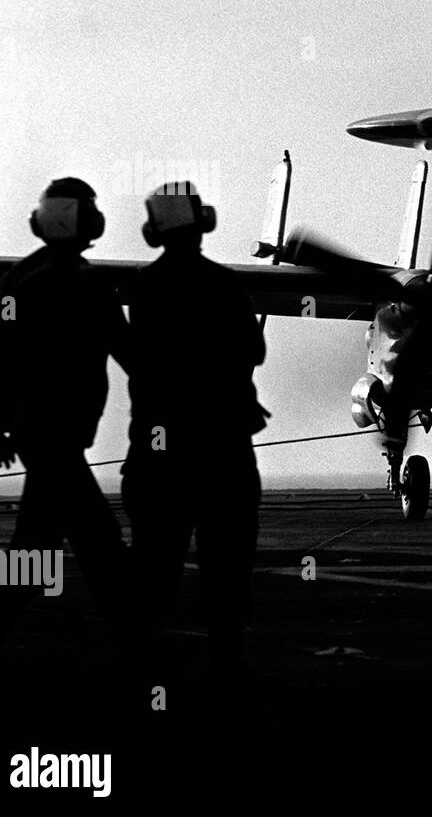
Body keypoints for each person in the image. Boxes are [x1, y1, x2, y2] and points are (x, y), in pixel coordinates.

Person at [0, 178, 131, 659]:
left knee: (38, 542)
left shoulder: (20, 279)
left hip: (33, 434)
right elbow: (135, 358)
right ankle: (134, 649)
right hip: (58, 440)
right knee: (98, 543)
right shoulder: (88, 284)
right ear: (89, 221)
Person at [122, 181, 267, 674]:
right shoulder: (225, 285)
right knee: (226, 571)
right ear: (203, 224)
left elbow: (138, 359)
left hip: (159, 452)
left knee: (153, 567)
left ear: (153, 231)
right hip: (223, 450)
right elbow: (254, 352)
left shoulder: (143, 289)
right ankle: (226, 669)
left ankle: (143, 670)